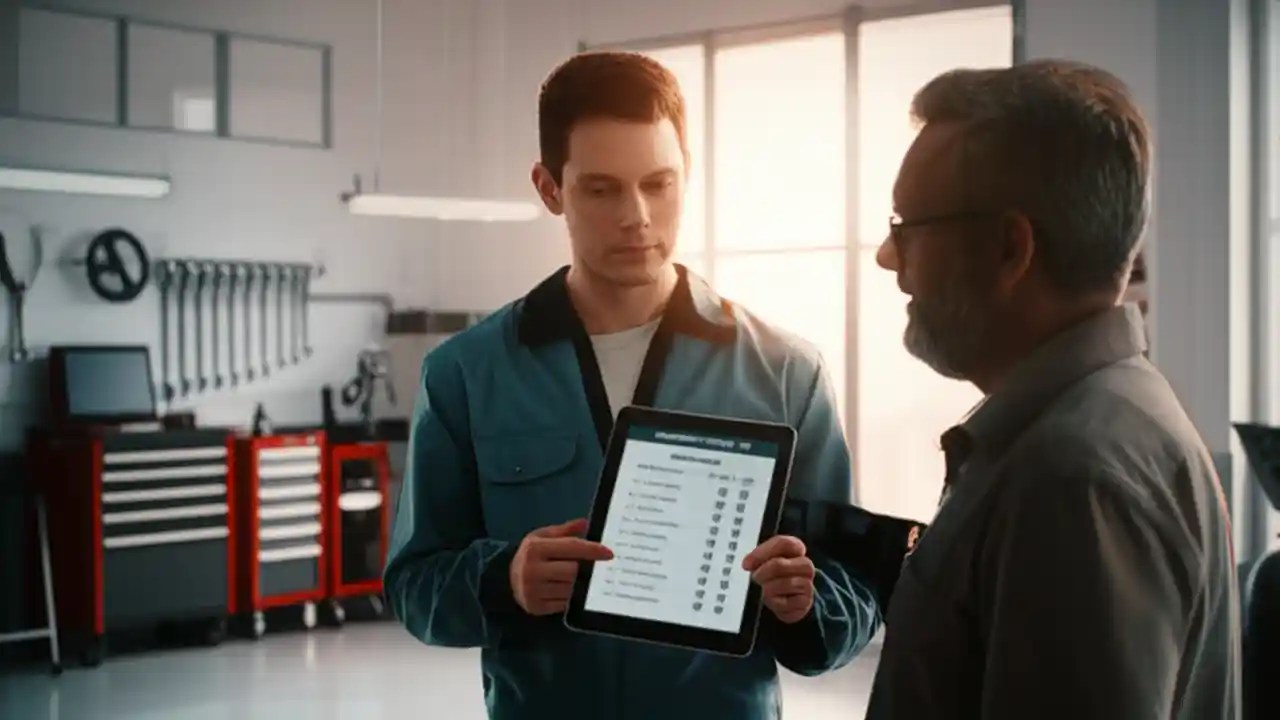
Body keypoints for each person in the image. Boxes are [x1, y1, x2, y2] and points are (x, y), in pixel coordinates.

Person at [384, 51, 880, 720]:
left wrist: (804, 603)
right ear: (548, 187)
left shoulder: (787, 371)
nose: (637, 215)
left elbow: (853, 593)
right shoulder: (465, 374)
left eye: (659, 183)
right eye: (601, 188)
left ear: (688, 178)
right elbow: (413, 584)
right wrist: (505, 580)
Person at [865, 59, 1241, 719]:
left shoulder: (1076, 477)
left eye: (908, 228)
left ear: (1011, 248)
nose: (887, 257)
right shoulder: (1102, 421)